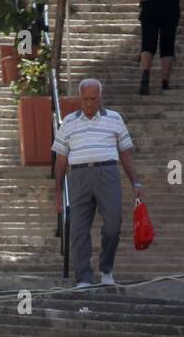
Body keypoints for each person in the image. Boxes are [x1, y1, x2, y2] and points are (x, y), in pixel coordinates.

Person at [52, 78, 144, 289]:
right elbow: (60, 160)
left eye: (94, 98)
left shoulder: (114, 118)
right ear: (79, 98)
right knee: (78, 229)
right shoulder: (68, 121)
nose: (90, 103)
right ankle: (83, 277)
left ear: (100, 97)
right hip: (79, 176)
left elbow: (126, 153)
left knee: (113, 224)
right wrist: (58, 192)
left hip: (107, 173)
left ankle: (106, 270)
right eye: (85, 99)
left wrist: (136, 183)